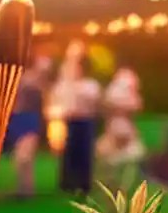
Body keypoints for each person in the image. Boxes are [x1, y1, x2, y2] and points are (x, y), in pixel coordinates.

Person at [53, 51, 101, 194]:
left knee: (84, 152)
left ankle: (84, 184)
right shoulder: (66, 85)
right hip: (70, 121)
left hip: (85, 121)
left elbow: (95, 102)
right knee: (69, 153)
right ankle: (68, 183)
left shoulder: (90, 85)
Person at [96, 67, 146, 190]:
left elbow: (136, 107)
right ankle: (112, 186)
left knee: (131, 160)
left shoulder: (132, 98)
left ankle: (124, 187)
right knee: (109, 162)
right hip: (114, 131)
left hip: (126, 131)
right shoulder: (112, 96)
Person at [8, 54, 50, 199]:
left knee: (25, 156)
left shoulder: (38, 82)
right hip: (19, 119)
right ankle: (23, 188)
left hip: (30, 119)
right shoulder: (24, 78)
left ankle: (27, 190)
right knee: (20, 156)